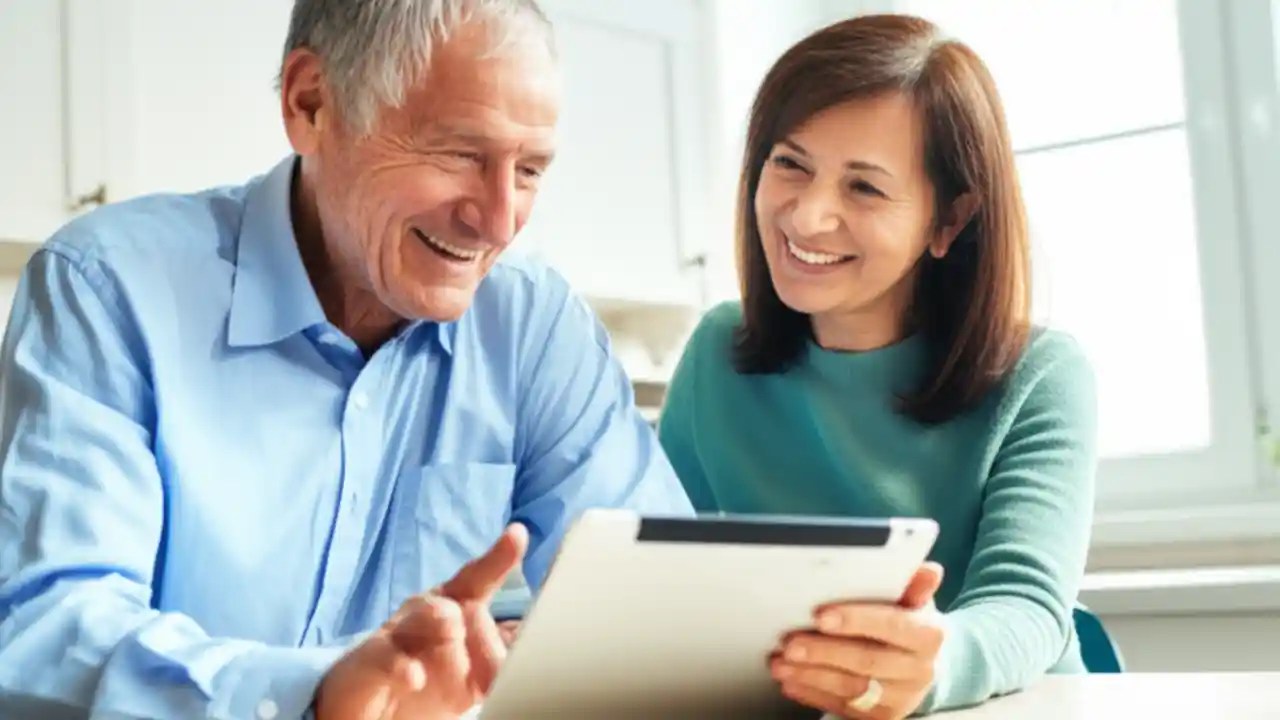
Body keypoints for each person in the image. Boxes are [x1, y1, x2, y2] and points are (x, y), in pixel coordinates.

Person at [0, 1, 693, 718]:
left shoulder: (533, 325)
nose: (499, 220)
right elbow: (46, 631)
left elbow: (662, 608)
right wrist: (316, 694)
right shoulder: (109, 286)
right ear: (312, 104)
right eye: (459, 153)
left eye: (530, 170)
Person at [658, 13, 1098, 720]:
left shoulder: (1041, 375)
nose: (806, 217)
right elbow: (652, 568)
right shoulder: (717, 353)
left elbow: (1025, 606)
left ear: (949, 221)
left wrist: (928, 663)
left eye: (863, 188)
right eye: (790, 164)